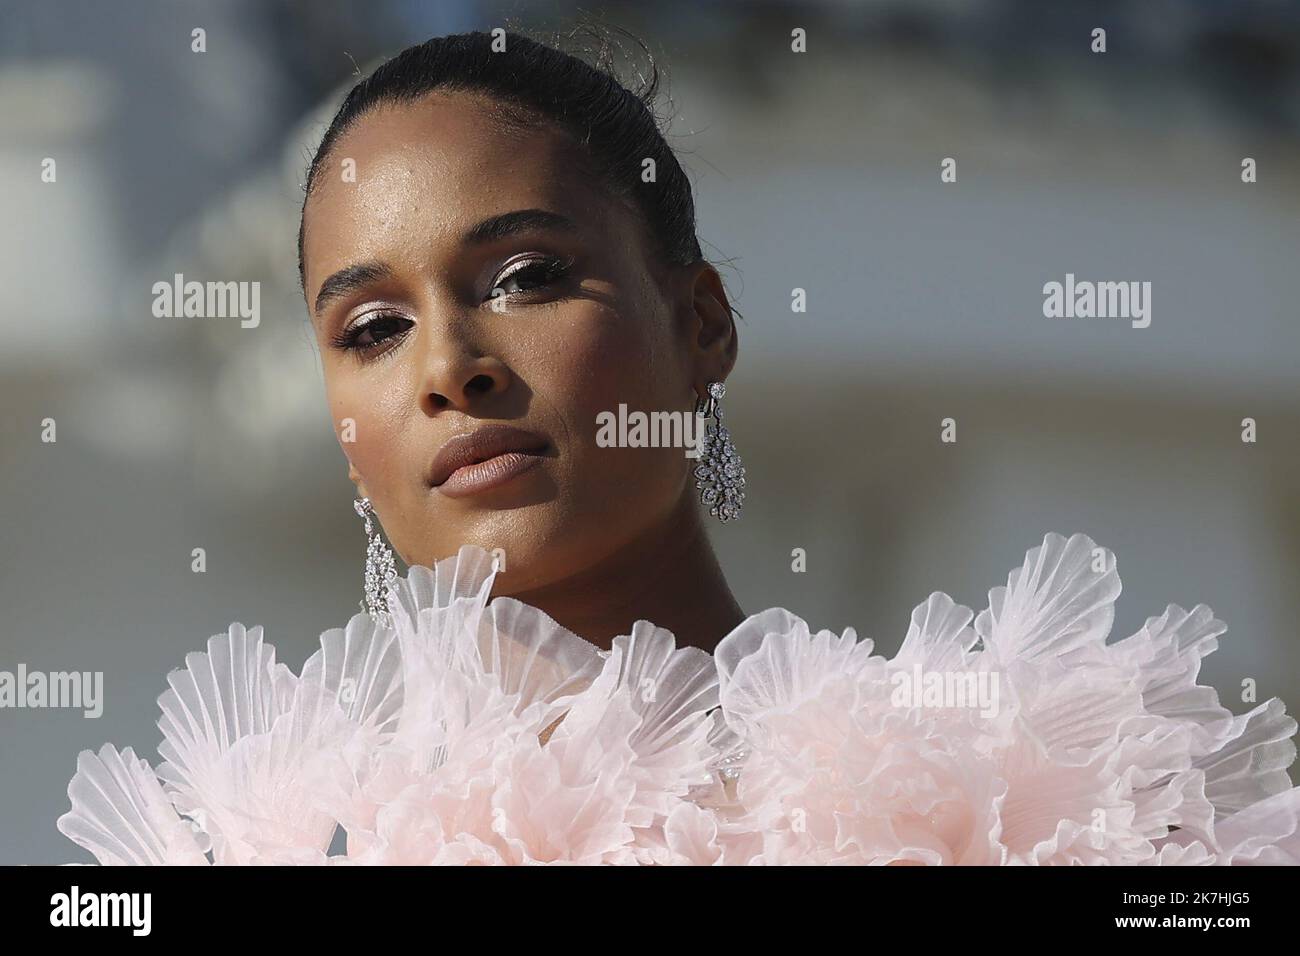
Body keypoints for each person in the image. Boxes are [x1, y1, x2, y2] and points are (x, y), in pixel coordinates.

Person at [55, 30, 1300, 866]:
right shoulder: (265, 845)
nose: (449, 368)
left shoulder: (1038, 808)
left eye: (528, 274)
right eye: (372, 328)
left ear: (700, 322)